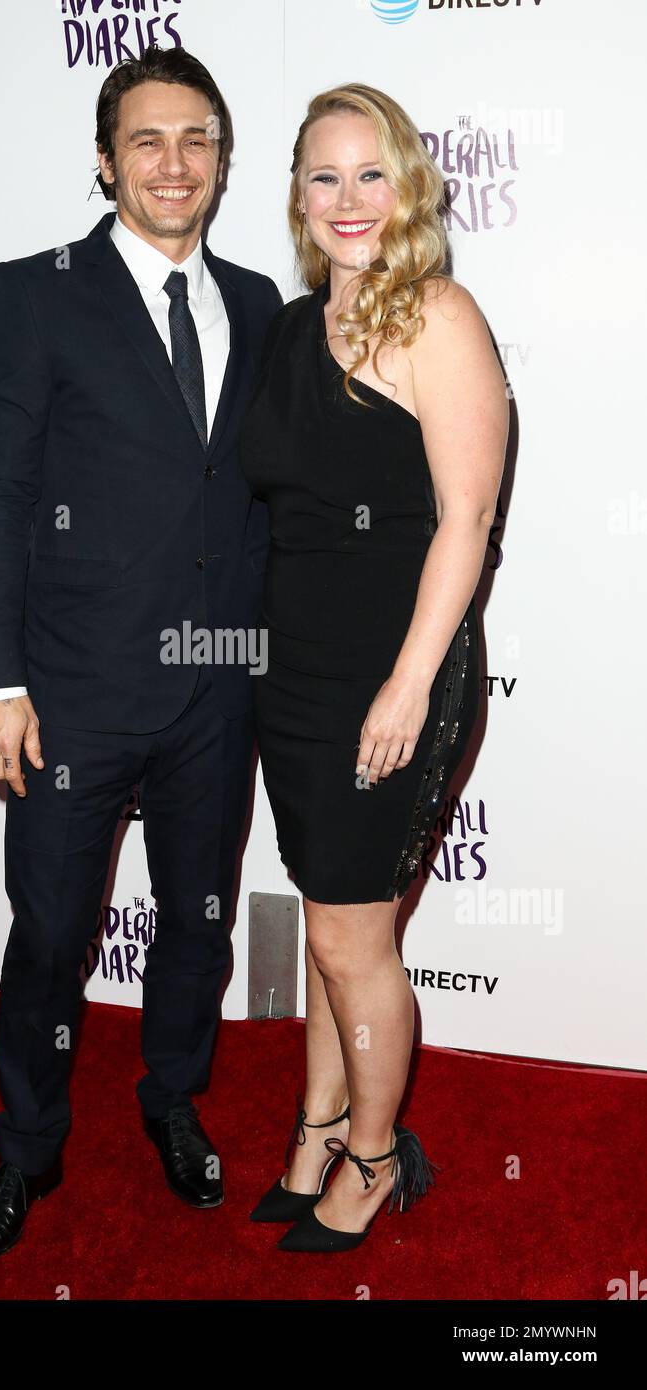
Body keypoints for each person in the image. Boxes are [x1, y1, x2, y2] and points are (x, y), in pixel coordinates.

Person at [0, 44, 282, 1268]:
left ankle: (171, 1098)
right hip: (73, 688)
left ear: (222, 159)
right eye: (147, 140)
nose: (173, 162)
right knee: (49, 933)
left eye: (195, 138)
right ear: (104, 160)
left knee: (194, 922)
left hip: (216, 684)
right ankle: (27, 1148)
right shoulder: (33, 293)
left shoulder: (256, 304)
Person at [239, 83, 508, 1252]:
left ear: (405, 187)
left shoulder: (436, 316)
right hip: (292, 671)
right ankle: (313, 1122)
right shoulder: (294, 329)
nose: (346, 200)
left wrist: (404, 687)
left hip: (394, 673)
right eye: (321, 176)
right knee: (326, 921)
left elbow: (464, 524)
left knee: (354, 936)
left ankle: (376, 1153)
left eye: (369, 174)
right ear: (296, 196)